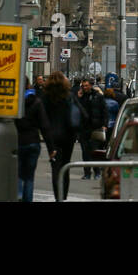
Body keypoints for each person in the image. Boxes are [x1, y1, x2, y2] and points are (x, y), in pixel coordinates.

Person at [39, 72, 77, 201]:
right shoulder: (69, 96)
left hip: (52, 137)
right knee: (66, 167)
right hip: (68, 137)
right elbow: (82, 115)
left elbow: (42, 119)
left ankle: (58, 197)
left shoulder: (45, 98)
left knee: (55, 168)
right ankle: (63, 197)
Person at [15, 78, 43, 202]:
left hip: (18, 141)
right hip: (32, 141)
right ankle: (27, 199)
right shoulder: (36, 101)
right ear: (28, 85)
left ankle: (19, 196)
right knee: (29, 177)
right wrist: (51, 146)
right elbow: (45, 124)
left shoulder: (14, 101)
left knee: (19, 174)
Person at [75, 78, 107, 178]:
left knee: (94, 151)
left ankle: (97, 172)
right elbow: (76, 110)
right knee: (85, 151)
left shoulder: (98, 96)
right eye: (83, 86)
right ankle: (87, 173)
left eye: (86, 85)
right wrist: (79, 98)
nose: (85, 87)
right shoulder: (80, 97)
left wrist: (104, 124)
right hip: (83, 128)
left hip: (95, 127)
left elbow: (104, 111)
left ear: (91, 85)